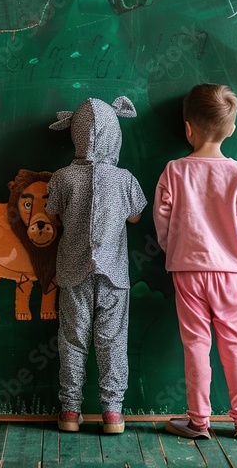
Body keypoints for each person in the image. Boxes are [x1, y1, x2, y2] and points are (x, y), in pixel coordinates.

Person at [154, 84, 237, 440]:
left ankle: (199, 421)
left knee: (196, 344)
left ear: (188, 128)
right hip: (231, 273)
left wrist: (176, 251)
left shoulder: (174, 171)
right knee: (234, 342)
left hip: (187, 271)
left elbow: (163, 222)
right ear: (231, 128)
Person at [47, 96, 147, 435]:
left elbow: (56, 215)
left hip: (73, 274)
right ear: (115, 135)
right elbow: (134, 218)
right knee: (113, 341)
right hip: (114, 276)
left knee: (72, 340)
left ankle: (70, 412)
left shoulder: (62, 178)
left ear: (75, 134)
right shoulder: (125, 179)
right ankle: (113, 413)